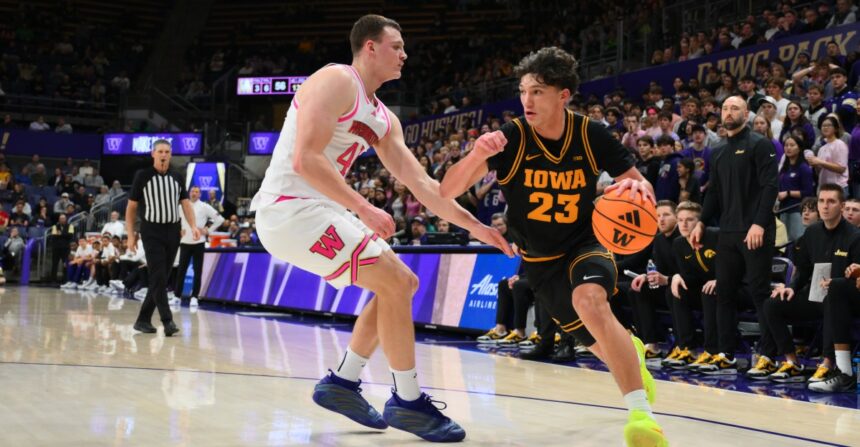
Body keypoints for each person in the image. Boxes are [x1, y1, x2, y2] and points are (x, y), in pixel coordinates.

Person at [249, 15, 510, 443]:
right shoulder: (336, 79)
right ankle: (407, 401)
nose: (405, 54)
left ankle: (343, 383)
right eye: (396, 46)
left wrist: (477, 227)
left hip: (318, 211)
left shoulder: (384, 118)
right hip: (288, 210)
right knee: (393, 281)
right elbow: (305, 160)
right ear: (370, 47)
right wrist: (364, 207)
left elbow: (425, 187)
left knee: (400, 284)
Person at [440, 46, 667, 446]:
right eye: (524, 90)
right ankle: (630, 351)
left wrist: (637, 186)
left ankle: (642, 419)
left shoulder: (590, 133)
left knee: (590, 301)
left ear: (564, 95)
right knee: (602, 345)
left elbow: (641, 184)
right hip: (539, 261)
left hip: (586, 242)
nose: (527, 100)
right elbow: (448, 190)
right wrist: (476, 152)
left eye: (539, 91)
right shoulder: (510, 138)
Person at [690, 95, 779, 374]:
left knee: (759, 292)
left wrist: (759, 224)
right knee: (724, 293)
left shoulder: (760, 145)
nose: (729, 113)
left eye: (735, 108)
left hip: (754, 230)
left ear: (747, 113)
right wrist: (702, 222)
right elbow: (714, 192)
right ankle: (725, 353)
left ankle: (769, 356)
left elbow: (770, 187)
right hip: (726, 232)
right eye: (726, 108)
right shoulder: (716, 150)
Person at [762, 184, 851, 384]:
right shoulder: (812, 233)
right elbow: (803, 270)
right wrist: (791, 288)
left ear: (842, 206)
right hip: (815, 295)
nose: (825, 206)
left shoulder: (854, 236)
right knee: (772, 303)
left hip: (845, 301)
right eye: (821, 201)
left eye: (831, 201)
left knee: (832, 298)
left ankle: (828, 364)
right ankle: (792, 361)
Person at [127, 139, 201, 337]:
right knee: (158, 276)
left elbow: (186, 204)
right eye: (160, 151)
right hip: (151, 231)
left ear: (170, 154)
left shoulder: (177, 177)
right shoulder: (142, 176)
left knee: (161, 277)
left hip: (173, 231)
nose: (163, 154)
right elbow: (131, 207)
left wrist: (193, 226)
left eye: (167, 151)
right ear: (153, 154)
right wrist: (130, 235)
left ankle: (142, 320)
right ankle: (167, 321)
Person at [668, 201, 719, 371]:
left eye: (689, 220)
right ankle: (687, 348)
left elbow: (736, 264)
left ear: (699, 223)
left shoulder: (714, 236)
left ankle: (712, 350)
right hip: (704, 288)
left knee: (708, 292)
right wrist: (677, 276)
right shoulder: (678, 244)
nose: (683, 224)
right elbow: (690, 277)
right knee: (677, 290)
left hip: (729, 287)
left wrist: (721, 279)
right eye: (680, 220)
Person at [630, 201, 680, 365]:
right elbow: (656, 268)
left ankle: (683, 345)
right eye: (658, 216)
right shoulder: (658, 239)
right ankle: (650, 343)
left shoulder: (683, 238)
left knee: (672, 291)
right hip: (665, 285)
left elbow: (687, 272)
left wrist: (666, 279)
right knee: (637, 289)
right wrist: (645, 276)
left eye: (666, 215)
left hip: (682, 287)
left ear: (676, 217)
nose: (661, 219)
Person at [176, 185, 224, 309]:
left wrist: (207, 230)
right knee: (181, 270)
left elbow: (220, 219)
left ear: (200, 194)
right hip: (185, 241)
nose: (194, 193)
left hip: (199, 242)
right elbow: (175, 219)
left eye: (197, 192)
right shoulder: (182, 206)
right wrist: (178, 230)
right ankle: (177, 296)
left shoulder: (204, 206)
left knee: (198, 271)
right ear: (189, 192)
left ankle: (194, 297)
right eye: (192, 191)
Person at [778, 135, 815, 241]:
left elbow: (808, 192)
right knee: (786, 241)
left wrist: (788, 193)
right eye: (786, 145)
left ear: (799, 148)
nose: (788, 148)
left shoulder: (804, 168)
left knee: (797, 240)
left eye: (792, 145)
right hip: (783, 209)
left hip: (797, 209)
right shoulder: (785, 167)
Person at [49, 214, 75, 285]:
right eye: (61, 218)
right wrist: (64, 235)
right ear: (59, 220)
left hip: (66, 248)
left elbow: (70, 236)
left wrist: (60, 234)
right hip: (56, 248)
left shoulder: (71, 226)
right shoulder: (54, 226)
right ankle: (53, 280)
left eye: (63, 218)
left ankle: (65, 280)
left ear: (66, 219)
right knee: (54, 264)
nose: (62, 220)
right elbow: (54, 236)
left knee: (65, 264)